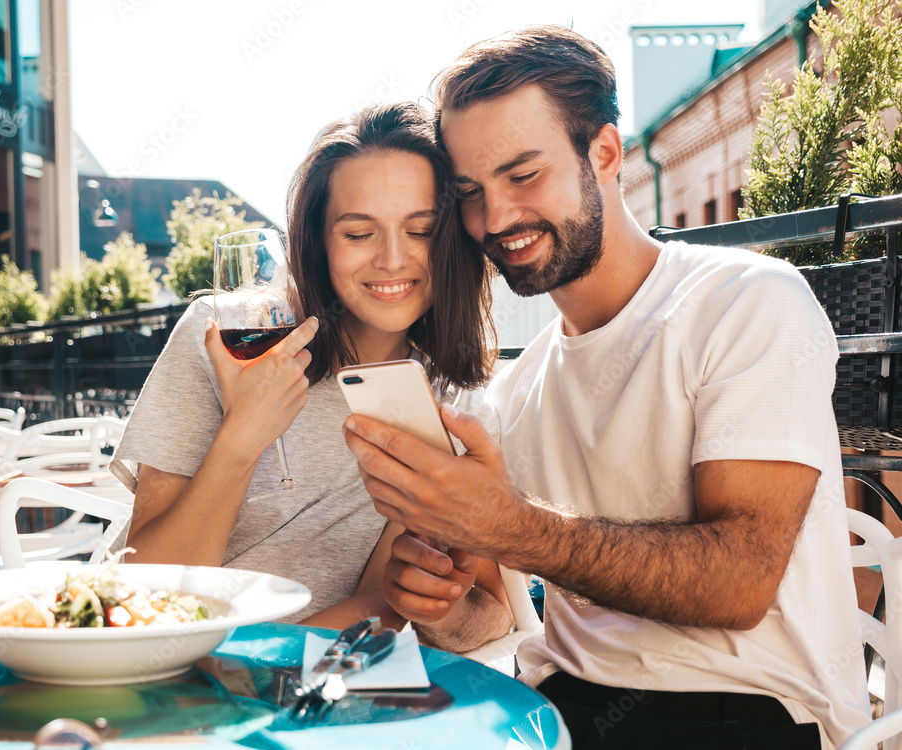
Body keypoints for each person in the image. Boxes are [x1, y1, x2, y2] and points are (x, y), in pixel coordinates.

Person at [343, 25, 870, 749]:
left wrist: (512, 528)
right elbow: (494, 619)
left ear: (606, 153)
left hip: (744, 713)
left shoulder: (745, 302)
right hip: (558, 707)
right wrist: (441, 603)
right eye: (471, 192)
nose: (495, 219)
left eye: (523, 175)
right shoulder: (517, 388)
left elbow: (740, 582)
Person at [110, 102, 511, 631]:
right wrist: (244, 433)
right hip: (152, 659)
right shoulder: (226, 337)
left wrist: (268, 676)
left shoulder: (453, 403)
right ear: (317, 242)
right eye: (358, 233)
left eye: (420, 230)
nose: (392, 260)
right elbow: (144, 590)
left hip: (304, 683)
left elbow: (399, 605)